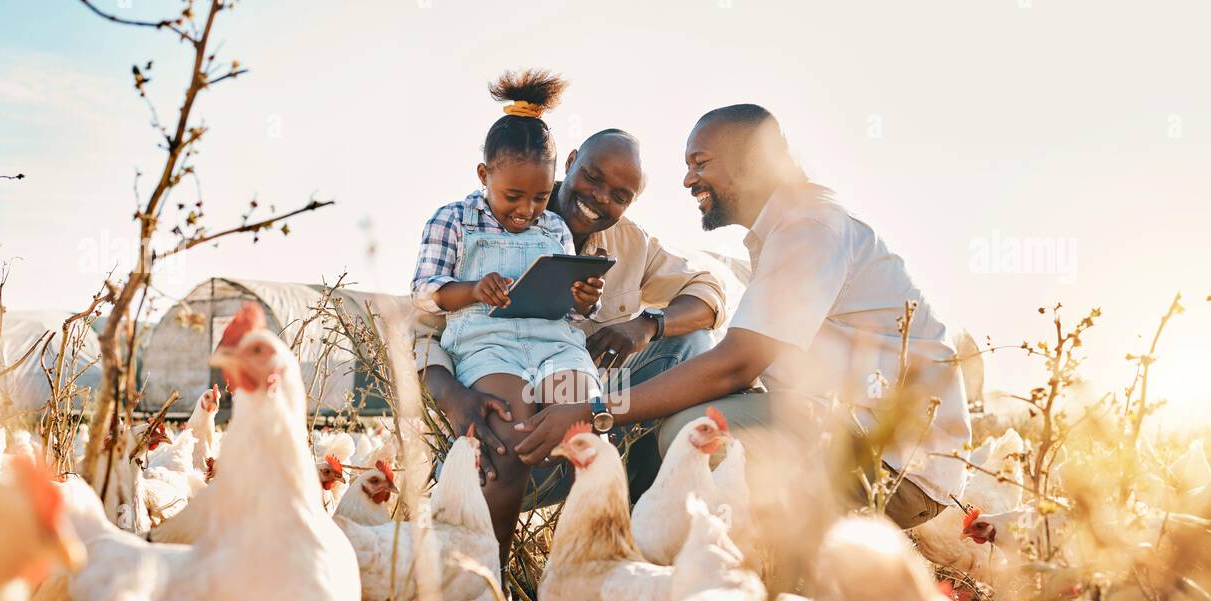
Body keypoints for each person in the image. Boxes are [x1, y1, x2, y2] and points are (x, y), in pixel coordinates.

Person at [513, 104, 971, 531]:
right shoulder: (791, 228)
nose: (689, 180)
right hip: (849, 430)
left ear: (752, 163)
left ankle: (698, 571)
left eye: (701, 162)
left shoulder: (808, 228)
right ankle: (650, 546)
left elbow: (737, 362)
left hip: (890, 459)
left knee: (688, 434)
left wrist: (597, 412)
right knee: (685, 398)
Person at [415, 128, 739, 504]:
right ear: (570, 163)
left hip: (590, 413)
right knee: (499, 463)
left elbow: (710, 292)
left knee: (690, 342)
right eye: (593, 177)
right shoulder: (481, 221)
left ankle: (637, 505)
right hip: (500, 420)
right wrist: (452, 397)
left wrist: (645, 325)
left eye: (619, 196)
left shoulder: (632, 243)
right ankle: (487, 514)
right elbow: (419, 333)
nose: (600, 198)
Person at [409, 69, 608, 561]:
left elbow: (574, 314)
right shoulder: (451, 219)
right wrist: (473, 289)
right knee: (508, 443)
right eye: (512, 197)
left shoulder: (556, 228)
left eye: (540, 197)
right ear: (484, 176)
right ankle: (489, 578)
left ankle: (577, 572)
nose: (526, 210)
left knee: (591, 428)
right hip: (488, 343)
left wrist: (584, 298)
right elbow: (423, 293)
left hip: (556, 344)